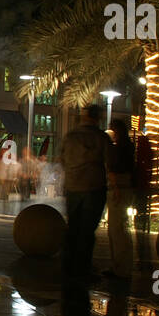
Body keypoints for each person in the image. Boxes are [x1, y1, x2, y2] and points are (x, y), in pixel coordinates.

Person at [61, 104, 112, 280]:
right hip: (93, 188)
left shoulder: (70, 137)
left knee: (73, 227)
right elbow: (110, 162)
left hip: (73, 187)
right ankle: (83, 267)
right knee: (87, 230)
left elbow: (62, 160)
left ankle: (68, 264)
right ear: (97, 118)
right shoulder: (101, 137)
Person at [105, 118, 135, 278]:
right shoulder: (129, 147)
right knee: (122, 229)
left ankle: (119, 267)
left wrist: (115, 187)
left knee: (116, 230)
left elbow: (113, 170)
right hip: (126, 189)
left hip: (118, 189)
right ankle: (122, 266)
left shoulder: (118, 149)